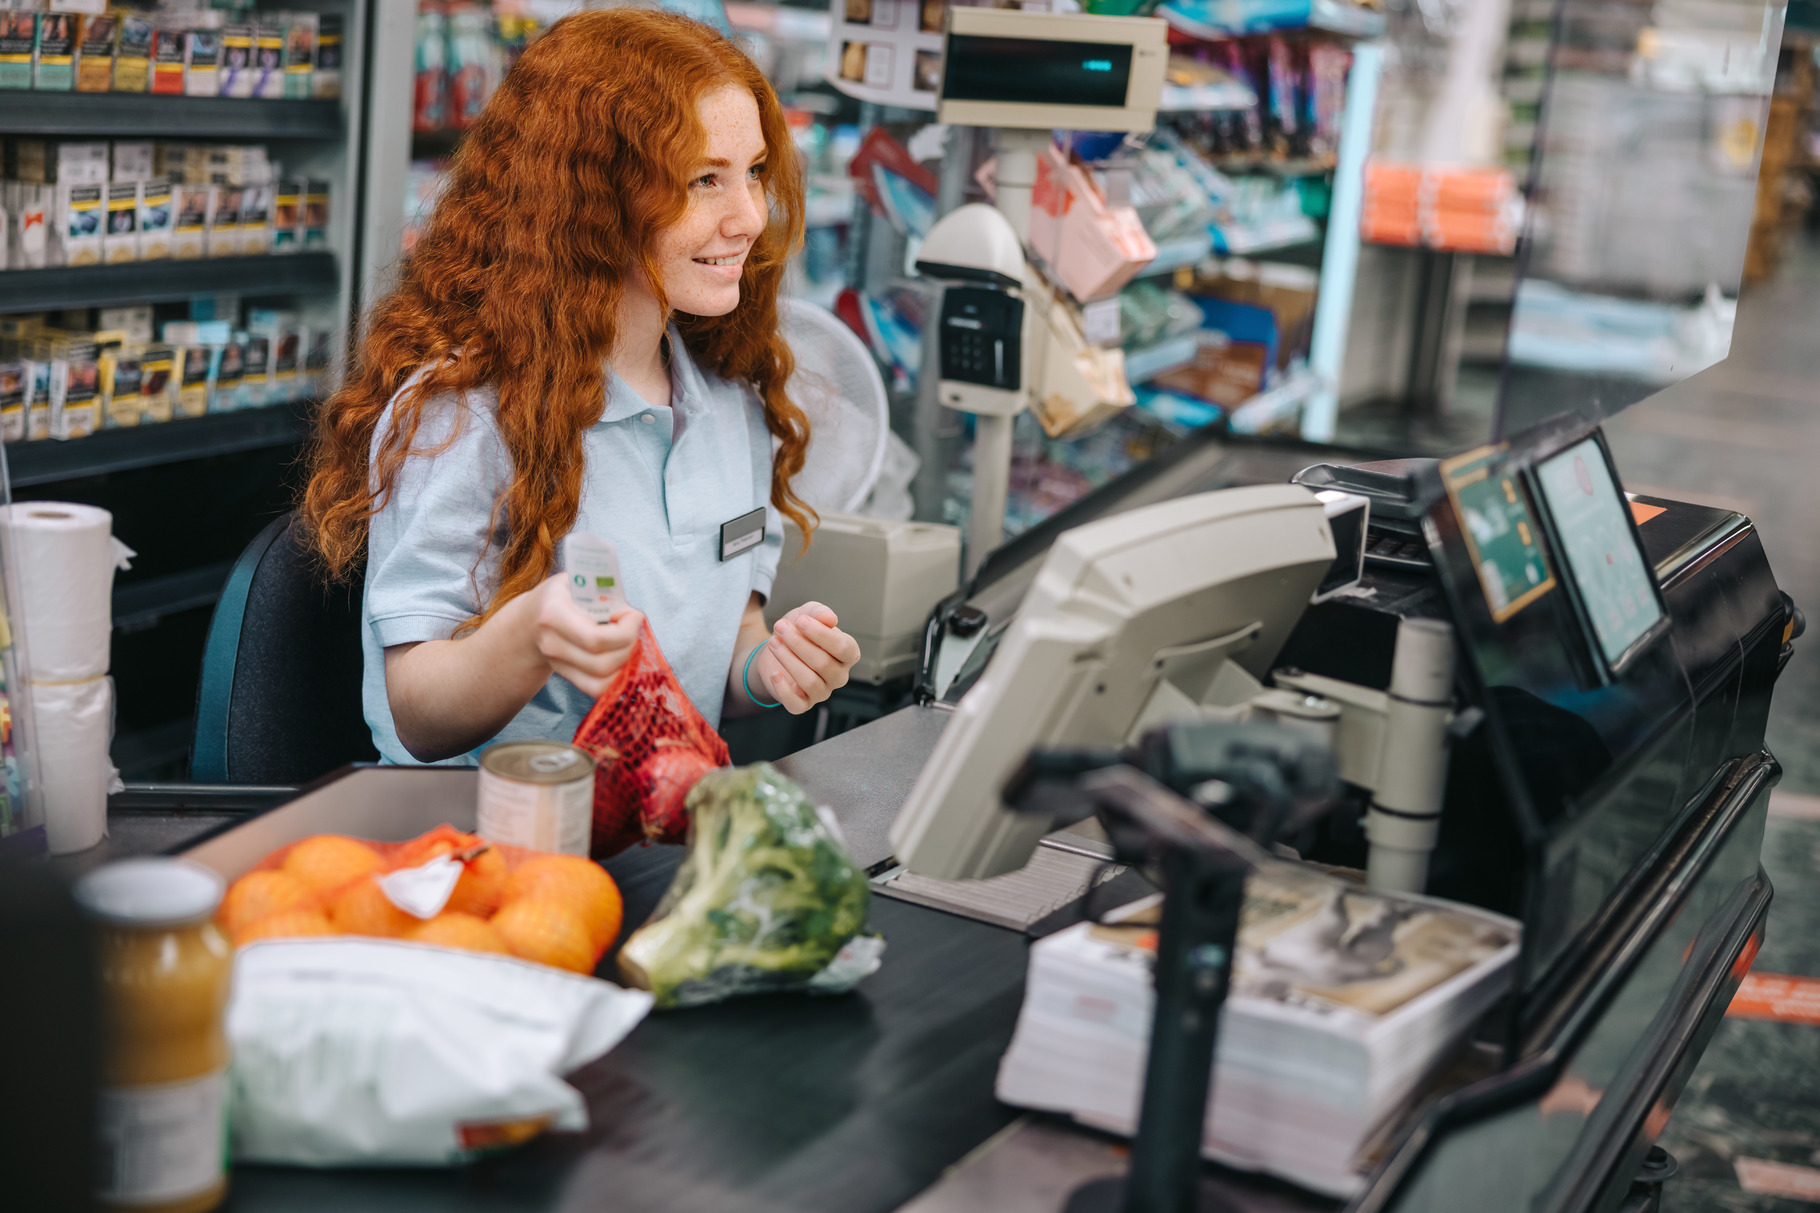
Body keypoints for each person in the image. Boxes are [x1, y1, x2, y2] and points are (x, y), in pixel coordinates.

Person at [302, 8, 860, 766]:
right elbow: (415, 713)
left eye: (755, 172)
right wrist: (529, 637)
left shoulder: (732, 404)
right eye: (704, 181)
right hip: (495, 838)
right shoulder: (466, 411)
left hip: (652, 829)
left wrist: (769, 670)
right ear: (592, 200)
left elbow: (728, 639)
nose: (751, 218)